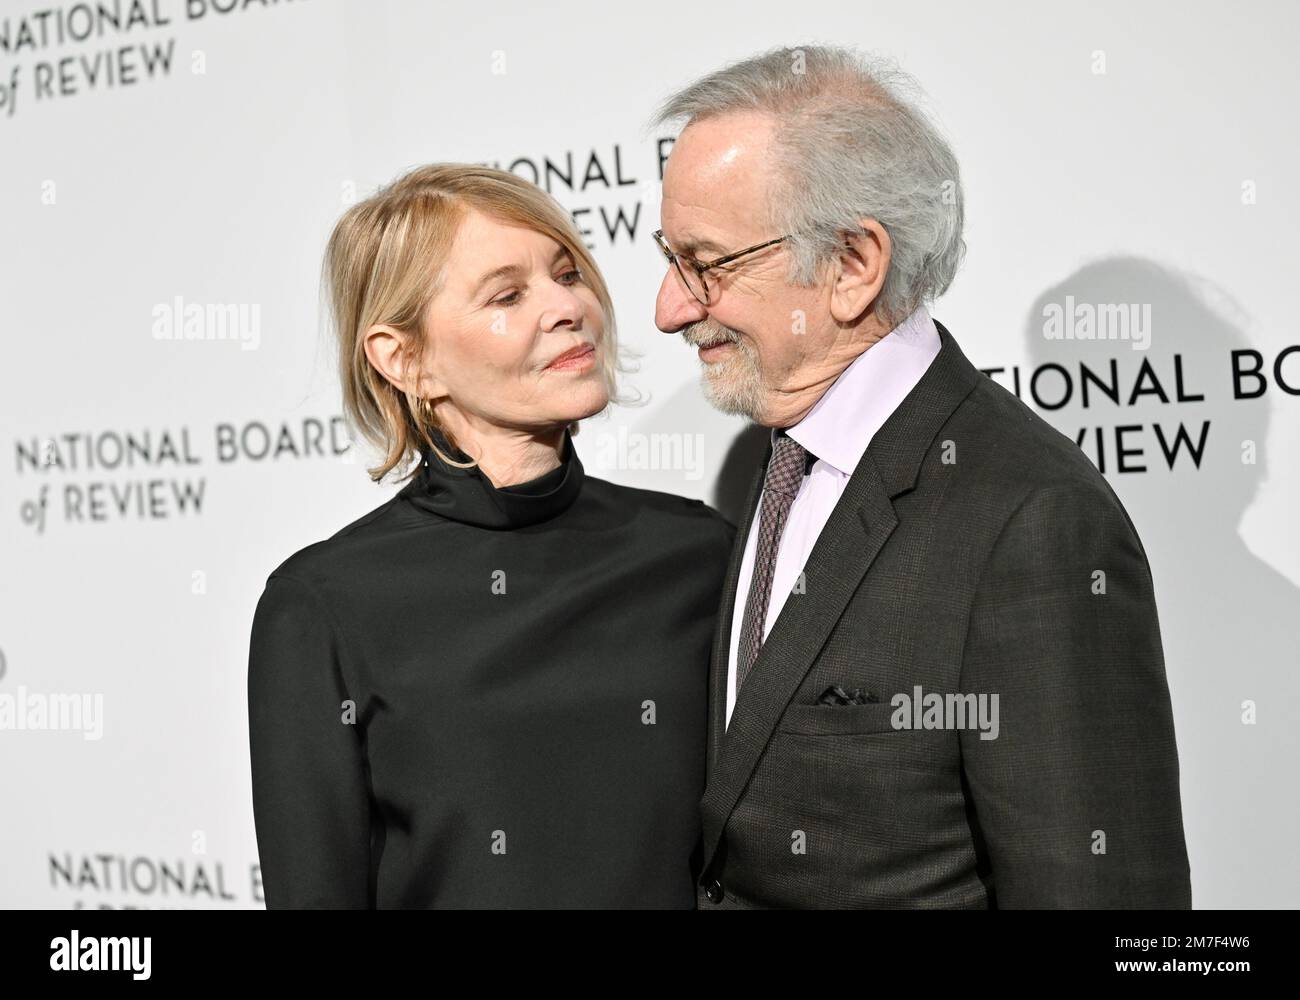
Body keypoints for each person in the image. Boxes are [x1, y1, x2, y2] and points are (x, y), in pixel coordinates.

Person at [650, 44, 1192, 908]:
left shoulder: (1033, 520)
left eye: (708, 265)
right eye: (670, 257)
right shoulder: (770, 457)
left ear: (852, 266)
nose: (669, 307)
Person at [247, 163, 733, 908]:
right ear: (403, 358)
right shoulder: (324, 605)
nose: (566, 307)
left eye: (567, 274)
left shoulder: (698, 552)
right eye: (508, 295)